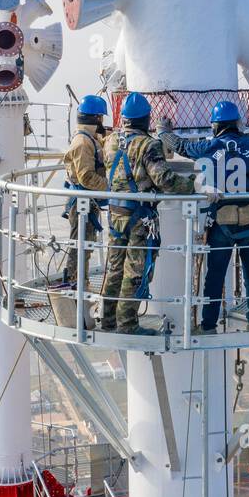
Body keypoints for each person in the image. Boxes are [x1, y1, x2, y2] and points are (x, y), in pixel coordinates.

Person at [159, 101, 249, 334]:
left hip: (223, 223)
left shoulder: (210, 146)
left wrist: (163, 132)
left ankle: (208, 325)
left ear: (215, 126)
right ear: (237, 124)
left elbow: (182, 147)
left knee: (215, 277)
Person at [99, 93, 195, 335]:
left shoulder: (110, 141)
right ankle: (127, 325)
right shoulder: (148, 145)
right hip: (138, 218)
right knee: (134, 272)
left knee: (114, 268)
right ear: (146, 119)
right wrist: (194, 184)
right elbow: (164, 179)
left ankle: (108, 320)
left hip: (115, 213)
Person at [61, 95, 110, 288]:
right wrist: (111, 187)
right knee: (81, 245)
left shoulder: (88, 138)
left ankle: (79, 282)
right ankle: (75, 284)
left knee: (84, 244)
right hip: (82, 203)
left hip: (88, 201)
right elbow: (86, 177)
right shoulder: (83, 143)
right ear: (96, 118)